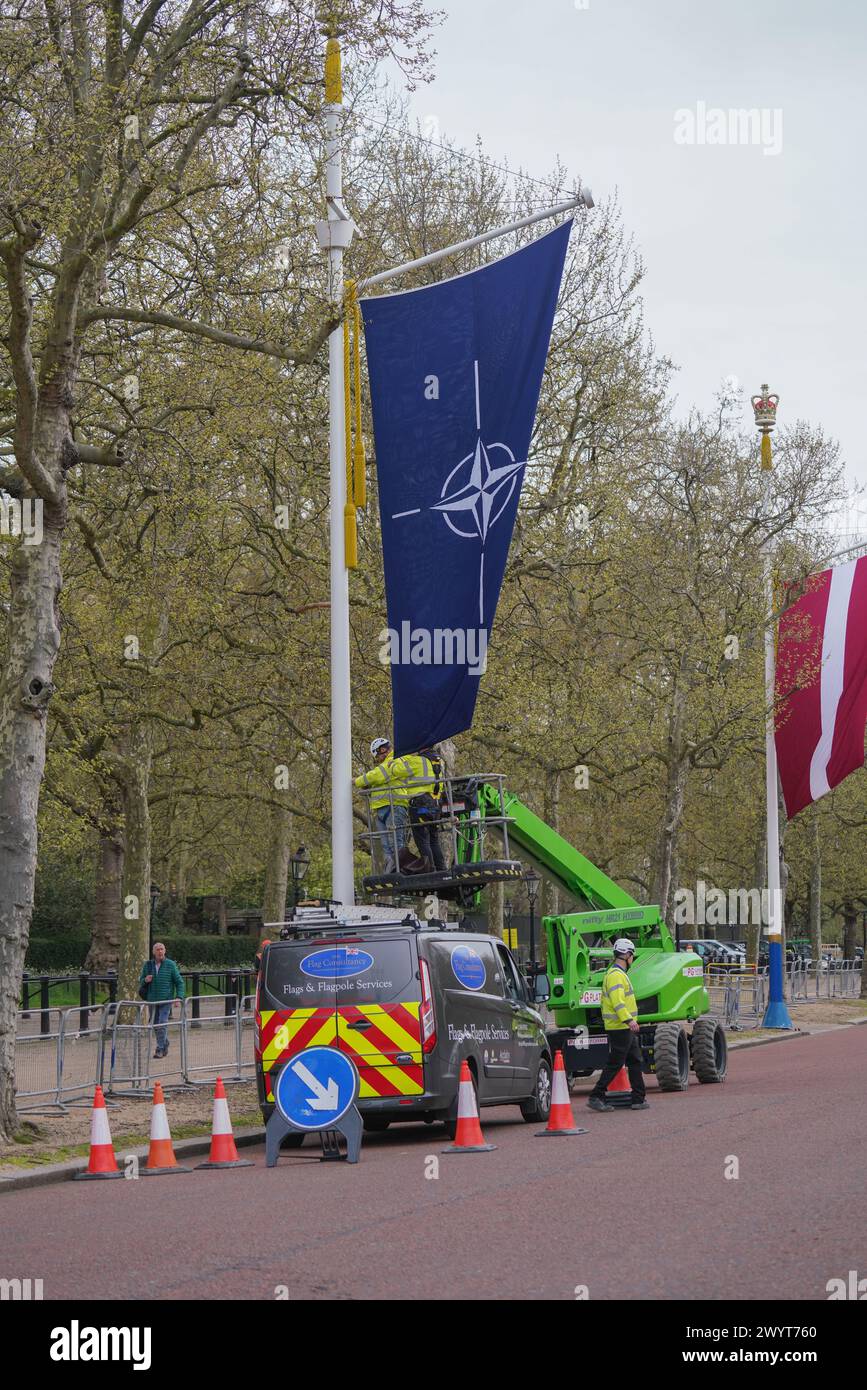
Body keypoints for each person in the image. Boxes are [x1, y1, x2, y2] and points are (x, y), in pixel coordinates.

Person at [587, 938, 648, 1111]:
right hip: (620, 1027)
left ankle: (638, 1098)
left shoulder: (618, 974)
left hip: (623, 1027)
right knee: (615, 1063)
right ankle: (596, 1096)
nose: (633, 959)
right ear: (627, 955)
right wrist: (629, 1020)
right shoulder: (615, 976)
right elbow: (618, 1002)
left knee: (635, 1060)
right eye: (632, 955)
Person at [353, 737, 410, 872]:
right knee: (386, 845)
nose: (377, 759)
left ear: (382, 750)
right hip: (382, 809)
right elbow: (378, 778)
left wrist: (357, 781)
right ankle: (390, 870)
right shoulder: (385, 764)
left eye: (377, 756)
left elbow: (378, 775)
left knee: (395, 841)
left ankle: (400, 870)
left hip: (394, 805)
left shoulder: (394, 761)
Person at [138, 942, 185, 1059]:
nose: (160, 951)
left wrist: (179, 997)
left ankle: (159, 1048)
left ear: (165, 951)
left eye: (162, 949)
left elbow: (179, 982)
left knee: (162, 1022)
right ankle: (165, 1042)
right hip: (152, 1000)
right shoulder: (148, 965)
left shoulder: (170, 965)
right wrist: (146, 980)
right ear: (154, 952)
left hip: (166, 1000)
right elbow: (141, 980)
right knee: (154, 1024)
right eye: (157, 949)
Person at [404, 746, 446, 872]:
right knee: (434, 840)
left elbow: (396, 770)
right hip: (436, 804)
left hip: (420, 804)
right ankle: (441, 869)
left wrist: (402, 757)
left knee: (422, 840)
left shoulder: (417, 761)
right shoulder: (440, 761)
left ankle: (430, 870)